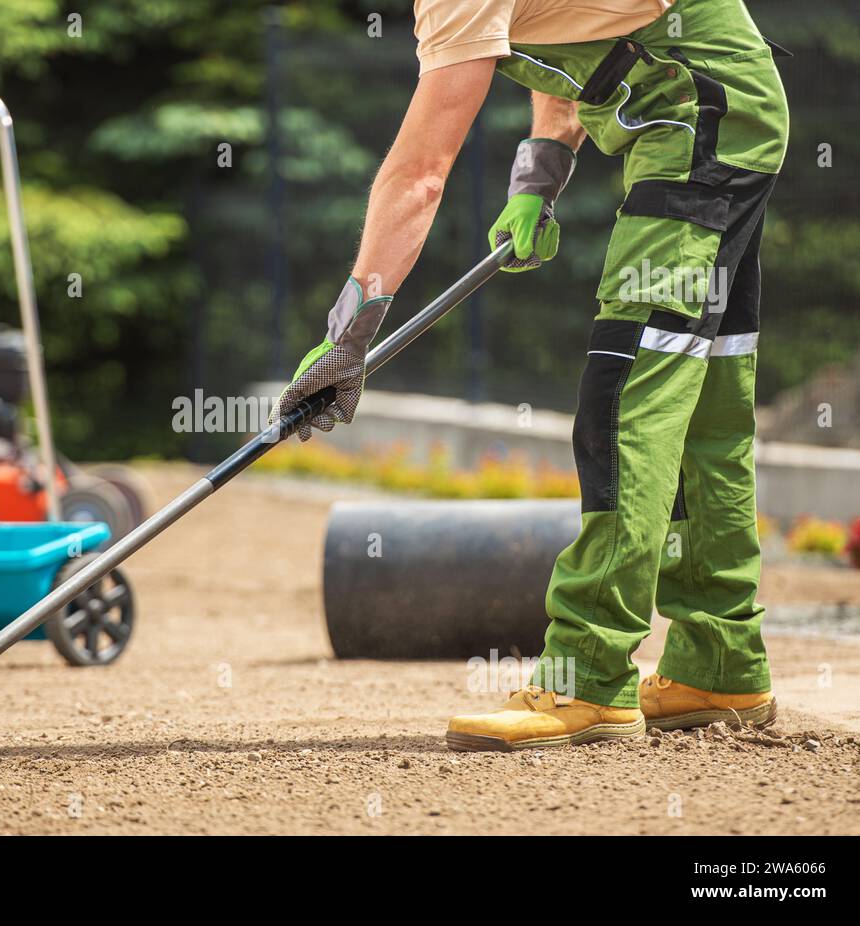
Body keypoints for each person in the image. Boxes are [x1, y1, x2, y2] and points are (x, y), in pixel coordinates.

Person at [270, 0, 790, 751]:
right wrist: (537, 179)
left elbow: (419, 175)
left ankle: (588, 676)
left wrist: (348, 334)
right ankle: (721, 661)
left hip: (697, 129)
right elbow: (571, 43)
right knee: (705, 405)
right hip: (730, 118)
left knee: (624, 404)